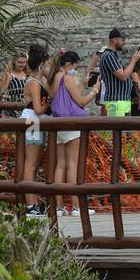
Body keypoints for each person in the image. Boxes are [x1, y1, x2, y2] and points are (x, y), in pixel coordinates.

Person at [48, 50, 101, 215]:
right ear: (69, 65)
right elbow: (81, 102)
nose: (75, 71)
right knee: (73, 164)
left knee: (60, 165)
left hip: (58, 122)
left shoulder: (54, 77)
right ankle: (76, 206)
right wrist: (94, 91)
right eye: (74, 67)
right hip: (71, 122)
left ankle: (59, 207)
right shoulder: (67, 78)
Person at [20, 44, 51, 214]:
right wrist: (47, 106)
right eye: (46, 64)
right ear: (41, 65)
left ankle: (33, 202)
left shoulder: (40, 81)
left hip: (37, 121)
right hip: (33, 121)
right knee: (30, 164)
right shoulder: (33, 82)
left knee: (34, 163)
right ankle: (30, 204)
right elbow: (39, 109)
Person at [98, 27, 140, 118]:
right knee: (117, 131)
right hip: (116, 101)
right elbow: (123, 76)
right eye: (122, 40)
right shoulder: (109, 56)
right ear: (114, 40)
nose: (124, 42)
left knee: (125, 131)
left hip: (123, 101)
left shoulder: (115, 55)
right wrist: (133, 60)